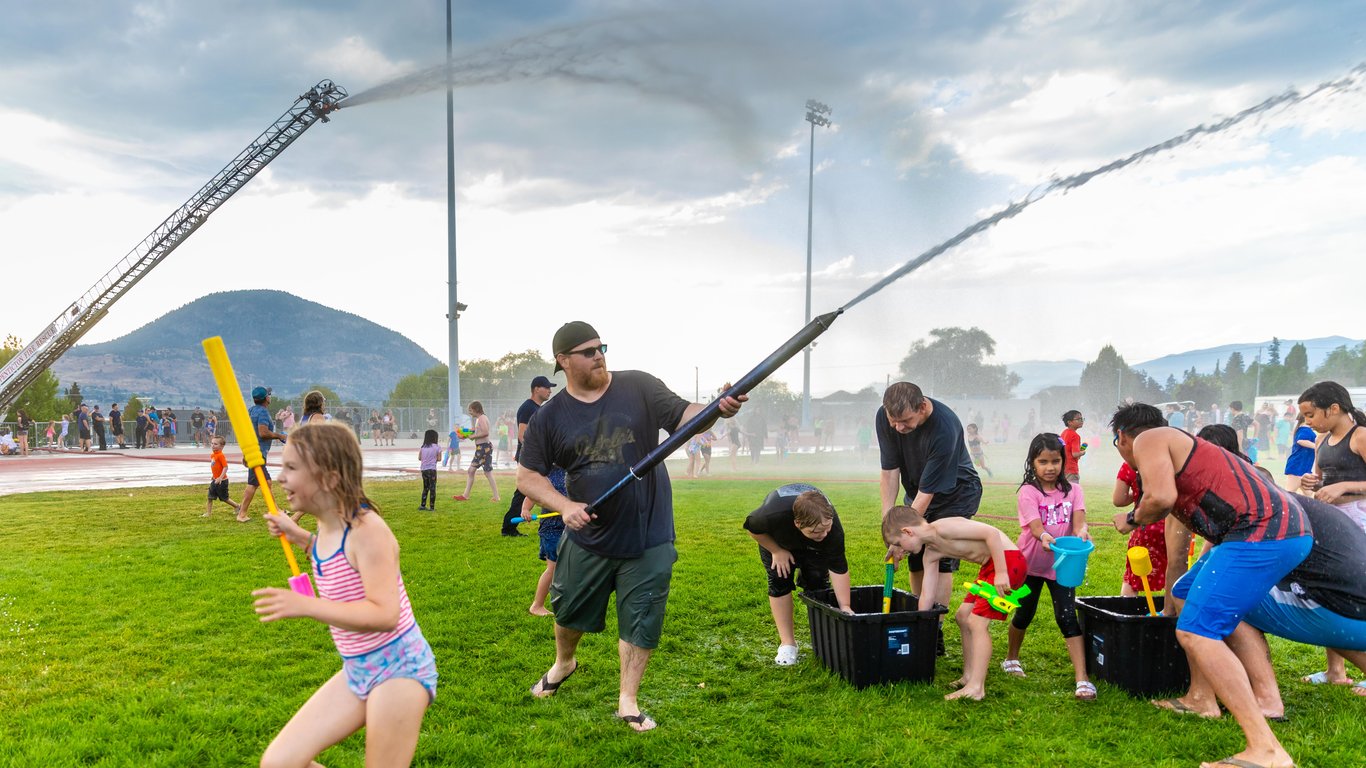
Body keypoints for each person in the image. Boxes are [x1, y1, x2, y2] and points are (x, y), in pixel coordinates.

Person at [517, 320, 744, 732]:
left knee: (643, 617)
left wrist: (716, 406)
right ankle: (564, 663)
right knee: (567, 611)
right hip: (589, 534)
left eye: (601, 346)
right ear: (563, 361)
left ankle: (628, 699)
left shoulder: (638, 386)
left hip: (649, 531)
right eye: (587, 351)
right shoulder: (550, 417)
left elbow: (686, 417)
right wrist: (565, 505)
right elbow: (527, 477)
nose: (599, 354)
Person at [1107, 403, 1322, 768]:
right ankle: (1201, 699)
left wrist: (1131, 518)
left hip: (1263, 532)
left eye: (1117, 443)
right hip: (1274, 530)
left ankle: (1266, 750)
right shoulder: (1178, 444)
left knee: (1196, 631)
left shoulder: (1148, 439)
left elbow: (1160, 498)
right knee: (1185, 592)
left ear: (1124, 436)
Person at [252, 423, 437, 767]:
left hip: (399, 668)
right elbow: (340, 563)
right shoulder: (325, 524)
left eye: (291, 468)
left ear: (330, 478)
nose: (279, 477)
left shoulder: (368, 531)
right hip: (357, 667)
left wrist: (308, 606)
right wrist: (302, 538)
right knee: (279, 762)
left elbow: (385, 614)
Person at [876, 381, 982, 655]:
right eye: (893, 421)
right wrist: (890, 525)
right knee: (915, 556)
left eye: (905, 421)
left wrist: (903, 535)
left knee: (937, 555)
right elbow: (889, 472)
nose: (899, 427)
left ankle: (934, 629)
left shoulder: (945, 427)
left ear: (922, 407)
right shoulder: (885, 417)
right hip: (918, 490)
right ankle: (921, 616)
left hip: (955, 492)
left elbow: (928, 492)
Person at [883, 505, 1024, 701]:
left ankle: (977, 688)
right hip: (988, 568)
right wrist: (920, 623)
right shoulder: (930, 552)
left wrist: (1001, 572)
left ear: (907, 531)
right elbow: (927, 594)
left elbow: (991, 534)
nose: (901, 550)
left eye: (899, 543)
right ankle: (968, 676)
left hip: (1007, 562)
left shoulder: (943, 528)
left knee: (977, 622)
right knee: (962, 616)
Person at [999, 434, 1095, 699]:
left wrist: (1082, 532)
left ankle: (1082, 678)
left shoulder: (1074, 490)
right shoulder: (1029, 492)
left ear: (1063, 461)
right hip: (1029, 565)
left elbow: (1079, 522)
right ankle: (1011, 659)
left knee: (1067, 617)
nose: (1050, 467)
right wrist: (1043, 536)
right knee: (1024, 614)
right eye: (1043, 461)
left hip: (1063, 566)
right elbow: (1035, 527)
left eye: (1055, 461)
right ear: (1033, 462)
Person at [1296, 381, 1366, 693]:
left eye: (1311, 414)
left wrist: (1344, 486)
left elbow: (1344, 484)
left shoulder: (1361, 436)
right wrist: (1312, 482)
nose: (1307, 421)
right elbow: (1318, 479)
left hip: (1360, 521)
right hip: (1332, 522)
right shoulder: (1322, 438)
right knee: (1329, 587)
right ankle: (1334, 670)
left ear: (1334, 408)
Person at [744, 484, 852, 666]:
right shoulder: (769, 516)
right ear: (798, 524)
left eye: (827, 528)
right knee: (780, 579)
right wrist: (776, 551)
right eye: (817, 531)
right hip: (777, 541)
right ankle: (787, 643)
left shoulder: (831, 530)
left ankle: (822, 639)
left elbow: (838, 567)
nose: (824, 534)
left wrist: (845, 606)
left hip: (812, 547)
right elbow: (753, 529)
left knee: (818, 581)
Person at [502, 376, 557, 537]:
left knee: (524, 492)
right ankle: (508, 527)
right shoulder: (528, 407)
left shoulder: (537, 408)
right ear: (536, 388)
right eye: (547, 387)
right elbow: (522, 435)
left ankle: (509, 526)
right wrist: (539, 453)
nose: (550, 391)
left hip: (534, 457)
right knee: (524, 491)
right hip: (530, 458)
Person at [1114, 459, 1168, 599]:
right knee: (1174, 571)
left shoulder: (1131, 463)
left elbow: (1118, 500)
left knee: (1133, 578)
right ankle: (1172, 613)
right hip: (1171, 525)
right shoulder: (1167, 460)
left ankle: (1127, 613)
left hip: (1143, 524)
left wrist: (1136, 496)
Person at [238, 387, 288, 523]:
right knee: (253, 484)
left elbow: (247, 433)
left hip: (252, 451)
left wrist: (245, 452)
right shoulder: (263, 413)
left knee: (266, 482)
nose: (270, 397)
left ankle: (275, 510)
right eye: (269, 395)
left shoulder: (251, 411)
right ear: (266, 398)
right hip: (258, 453)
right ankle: (242, 513)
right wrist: (280, 436)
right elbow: (263, 433)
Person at [527, 466, 568, 617]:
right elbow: (531, 495)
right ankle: (537, 605)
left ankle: (561, 598)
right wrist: (525, 511)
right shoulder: (546, 474)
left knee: (567, 566)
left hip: (569, 525)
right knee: (553, 568)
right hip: (552, 528)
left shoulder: (572, 470)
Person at [453, 402, 499, 503]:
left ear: (475, 409)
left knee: (486, 472)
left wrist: (472, 437)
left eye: (470, 410)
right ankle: (466, 495)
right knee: (474, 471)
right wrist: (463, 433)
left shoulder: (482, 418)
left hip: (484, 448)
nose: (470, 413)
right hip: (481, 448)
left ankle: (496, 496)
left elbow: (485, 432)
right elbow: (475, 430)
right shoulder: (479, 419)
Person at [202, 435, 240, 518]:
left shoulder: (220, 455)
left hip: (222, 481)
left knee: (224, 498)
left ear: (222, 446)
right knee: (210, 497)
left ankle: (237, 506)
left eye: (215, 444)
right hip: (215, 480)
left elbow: (225, 467)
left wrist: (220, 478)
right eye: (212, 443)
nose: (213, 445)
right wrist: (214, 476)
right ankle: (208, 513)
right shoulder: (213, 455)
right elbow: (215, 467)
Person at [1282, 413, 1317, 493]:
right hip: (1298, 466)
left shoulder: (1304, 429)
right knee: (1289, 493)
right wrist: (1317, 447)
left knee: (1309, 494)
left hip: (1304, 466)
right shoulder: (1304, 429)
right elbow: (1301, 441)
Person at [417, 429, 441, 511]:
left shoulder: (423, 447)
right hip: (432, 469)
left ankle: (422, 505)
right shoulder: (437, 447)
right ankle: (432, 507)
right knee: (432, 488)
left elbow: (419, 458)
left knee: (425, 487)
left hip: (423, 469)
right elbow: (439, 459)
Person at [1059, 410, 1086, 483]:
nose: (1081, 421)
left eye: (1082, 419)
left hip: (1062, 468)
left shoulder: (1063, 433)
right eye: (1078, 419)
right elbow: (1075, 454)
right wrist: (1082, 452)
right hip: (1071, 469)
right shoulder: (1075, 436)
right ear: (1069, 422)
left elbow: (1062, 448)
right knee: (1073, 492)